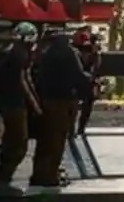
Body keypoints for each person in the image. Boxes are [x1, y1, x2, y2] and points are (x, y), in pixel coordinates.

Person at [30, 31, 90, 186]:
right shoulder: (69, 53)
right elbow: (78, 75)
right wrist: (89, 82)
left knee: (44, 139)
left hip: (46, 99)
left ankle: (39, 173)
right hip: (62, 100)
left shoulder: (45, 54)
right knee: (57, 139)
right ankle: (50, 176)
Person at [0, 22, 41, 197]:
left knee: (11, 139)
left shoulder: (14, 52)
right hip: (13, 103)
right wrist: (35, 105)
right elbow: (23, 80)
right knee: (18, 143)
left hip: (8, 101)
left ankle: (3, 180)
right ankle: (3, 183)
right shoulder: (19, 54)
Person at [72, 28, 103, 137]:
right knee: (75, 104)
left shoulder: (93, 53)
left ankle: (80, 128)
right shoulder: (75, 52)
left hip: (88, 79)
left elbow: (96, 66)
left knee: (87, 104)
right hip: (81, 79)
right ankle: (74, 128)